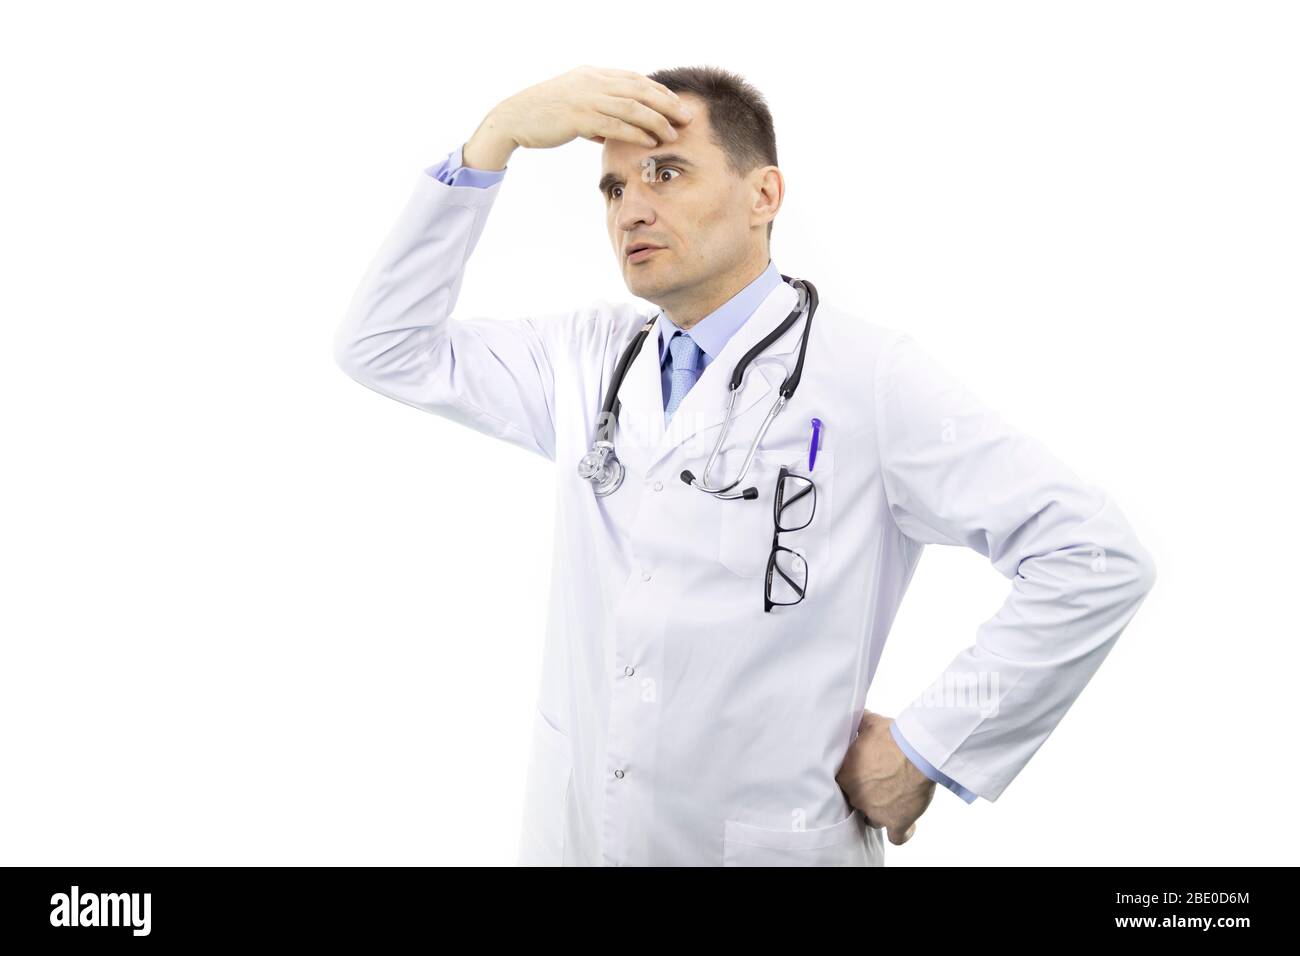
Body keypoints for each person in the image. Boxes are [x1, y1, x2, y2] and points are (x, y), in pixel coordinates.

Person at [333, 64, 1157, 866]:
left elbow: (1092, 557)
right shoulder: (584, 362)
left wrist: (928, 746)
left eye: (666, 171)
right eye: (615, 188)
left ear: (764, 196)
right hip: (579, 836)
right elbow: (382, 347)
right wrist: (497, 135)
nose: (632, 210)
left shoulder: (870, 381)